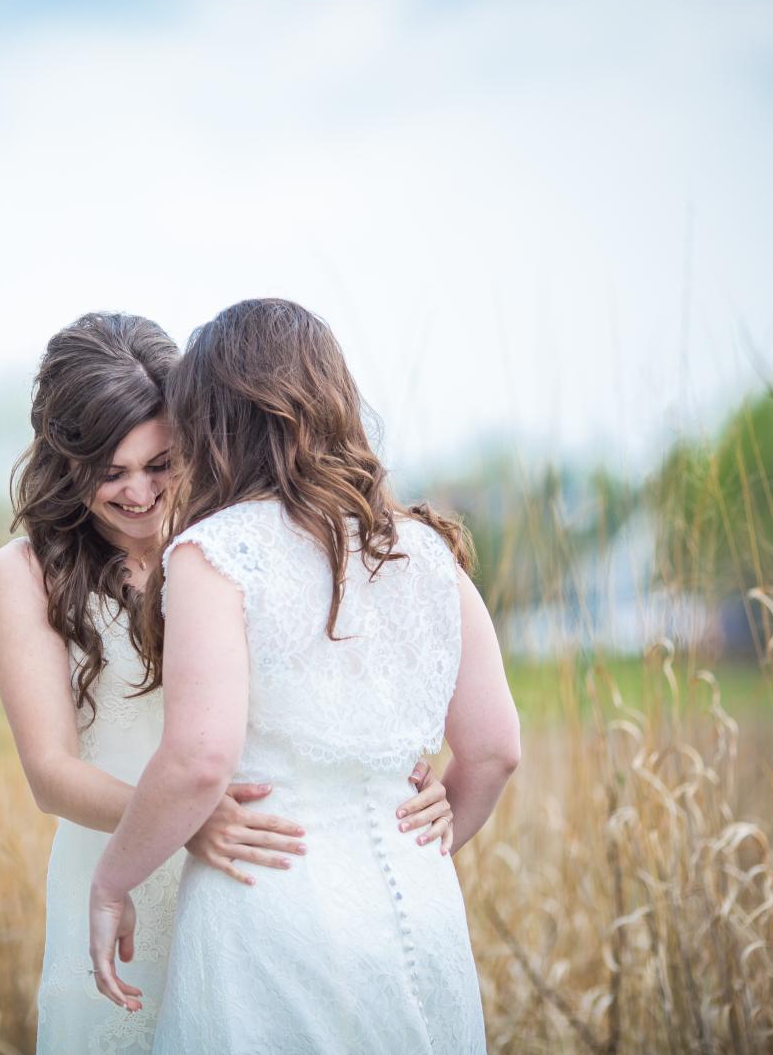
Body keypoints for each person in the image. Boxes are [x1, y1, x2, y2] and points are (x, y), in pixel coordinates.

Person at [0, 311, 458, 1053]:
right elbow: (50, 772)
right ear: (64, 461)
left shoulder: (230, 543)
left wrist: (398, 777)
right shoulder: (25, 572)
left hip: (256, 879)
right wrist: (184, 816)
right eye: (110, 473)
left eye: (160, 462)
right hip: (125, 870)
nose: (139, 492)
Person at [87, 299, 521, 1053]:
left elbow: (198, 759)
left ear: (210, 421)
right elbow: (494, 749)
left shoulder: (215, 554)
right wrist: (435, 831)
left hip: (270, 914)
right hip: (420, 911)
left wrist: (112, 880)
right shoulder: (425, 551)